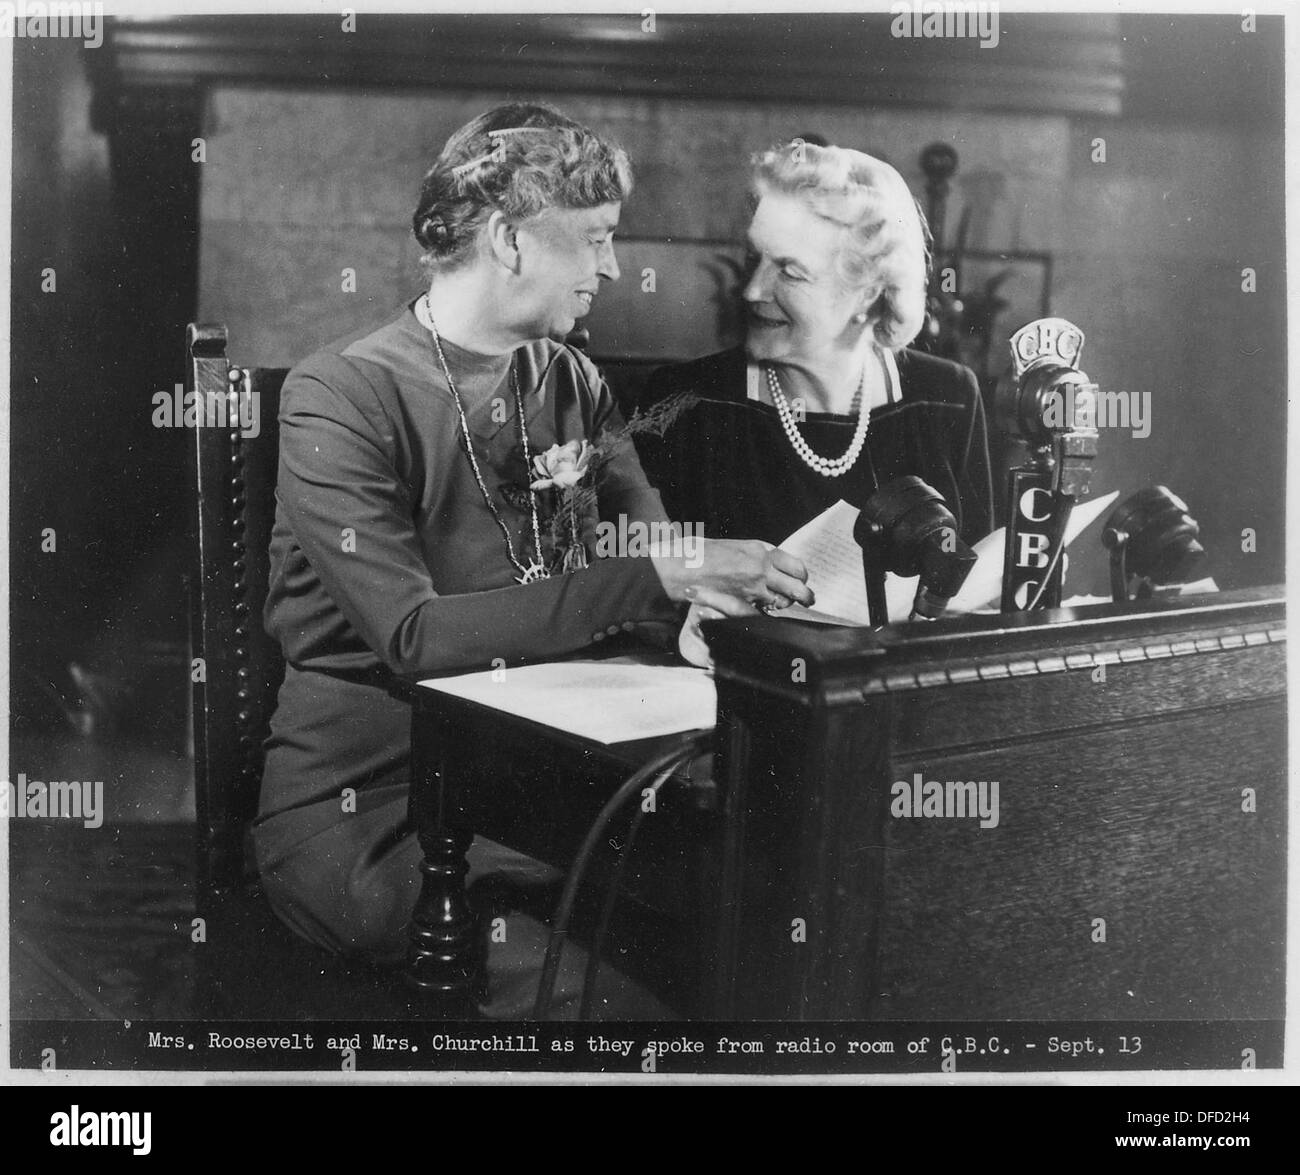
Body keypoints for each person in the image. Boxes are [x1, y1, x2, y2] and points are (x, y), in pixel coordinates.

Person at [253, 103, 812, 1019]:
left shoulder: (573, 382)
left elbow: (658, 561)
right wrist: (660, 577)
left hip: (547, 792)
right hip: (375, 813)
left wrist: (721, 600)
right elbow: (413, 635)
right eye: (594, 238)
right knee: (629, 1003)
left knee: (750, 935)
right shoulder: (341, 394)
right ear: (510, 240)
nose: (612, 267)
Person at [635, 142, 994, 598]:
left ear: (867, 294)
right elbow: (640, 590)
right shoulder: (686, 402)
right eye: (754, 260)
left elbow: (978, 585)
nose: (752, 290)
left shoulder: (947, 396)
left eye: (789, 271)